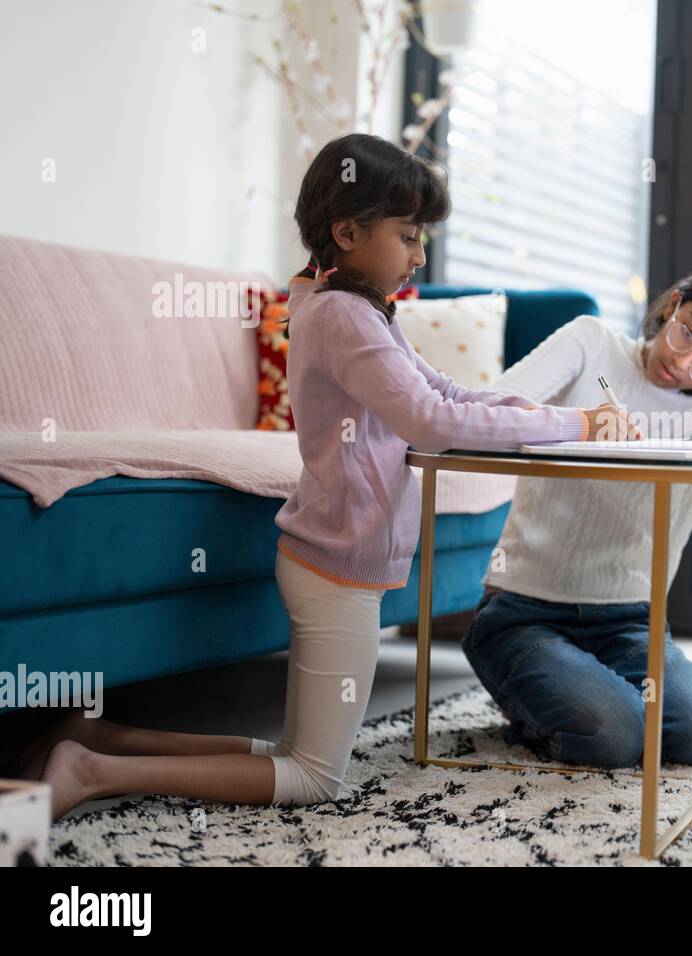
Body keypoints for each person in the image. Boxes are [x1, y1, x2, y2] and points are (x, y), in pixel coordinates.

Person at [23, 132, 634, 820]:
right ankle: (92, 773)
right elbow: (432, 420)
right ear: (347, 231)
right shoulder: (348, 316)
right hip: (337, 569)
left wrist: (565, 415)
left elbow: (452, 394)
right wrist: (576, 427)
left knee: (300, 753)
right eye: (408, 235)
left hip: (333, 559)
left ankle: (99, 738)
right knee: (316, 776)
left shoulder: (348, 305)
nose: (420, 253)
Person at [462, 266, 692, 768]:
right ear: (672, 304)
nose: (683, 361)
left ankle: (653, 687)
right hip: (524, 611)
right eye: (687, 331)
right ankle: (565, 690)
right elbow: (483, 415)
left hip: (631, 619)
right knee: (613, 736)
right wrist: (579, 425)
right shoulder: (590, 343)